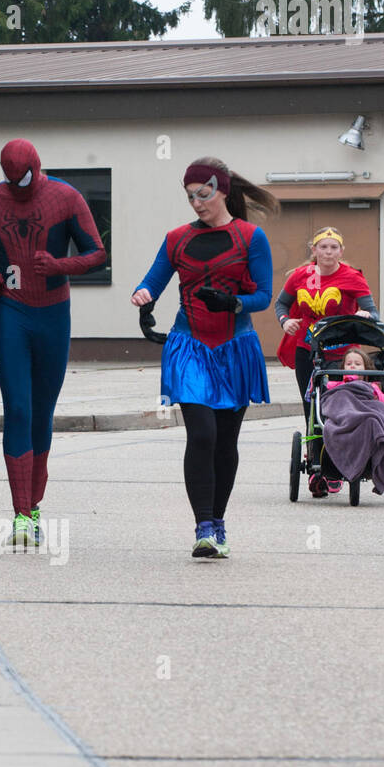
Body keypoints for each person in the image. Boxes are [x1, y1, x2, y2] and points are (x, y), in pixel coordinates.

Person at [132, 156, 277, 558]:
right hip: (189, 346)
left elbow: (263, 296)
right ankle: (203, 527)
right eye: (190, 196)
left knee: (225, 442)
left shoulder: (251, 237)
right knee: (202, 435)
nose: (196, 203)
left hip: (234, 349)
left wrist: (233, 302)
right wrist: (143, 294)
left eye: (204, 194)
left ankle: (218, 521)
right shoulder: (177, 238)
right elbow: (154, 279)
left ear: (223, 190)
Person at [0, 138, 106, 547]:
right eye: (11, 180)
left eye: (24, 178)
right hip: (11, 311)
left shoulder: (66, 197)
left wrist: (60, 264)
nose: (19, 186)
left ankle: (35, 503)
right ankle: (21, 514)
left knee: (42, 411)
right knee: (18, 409)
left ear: (37, 167)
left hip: (52, 313)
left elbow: (97, 252)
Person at [274, 227, 379, 431]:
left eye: (333, 247)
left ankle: (342, 445)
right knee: (311, 404)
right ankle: (314, 453)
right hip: (307, 350)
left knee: (341, 406)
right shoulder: (300, 276)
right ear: (314, 250)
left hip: (343, 354)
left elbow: (373, 312)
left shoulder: (353, 277)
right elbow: (281, 304)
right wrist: (285, 320)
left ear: (341, 251)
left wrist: (365, 315)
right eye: (323, 247)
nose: (328, 252)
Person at [316, 346, 384, 496]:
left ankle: (373, 445)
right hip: (344, 414)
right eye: (349, 364)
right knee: (348, 410)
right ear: (343, 368)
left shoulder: (372, 386)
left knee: (373, 419)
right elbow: (330, 399)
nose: (352, 366)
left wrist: (374, 394)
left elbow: (383, 402)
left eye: (357, 364)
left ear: (366, 370)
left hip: (367, 411)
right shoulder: (336, 385)